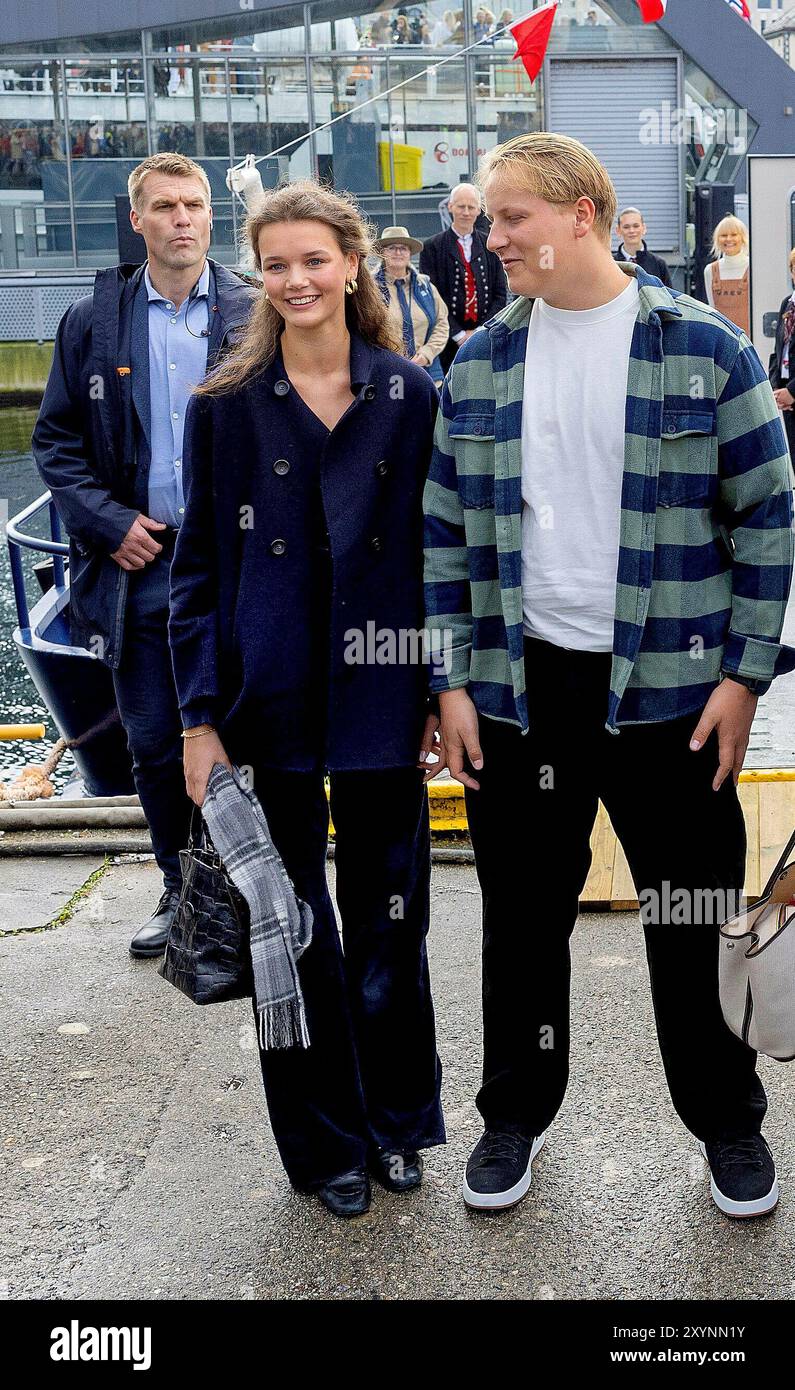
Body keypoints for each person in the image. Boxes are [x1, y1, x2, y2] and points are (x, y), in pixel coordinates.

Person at [423, 132, 795, 1220]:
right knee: (522, 916)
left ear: (582, 213)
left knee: (690, 908)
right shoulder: (481, 360)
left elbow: (769, 521)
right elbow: (443, 537)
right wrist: (447, 683)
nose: (493, 242)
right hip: (525, 687)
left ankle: (729, 1121)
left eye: (509, 220)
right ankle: (514, 1116)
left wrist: (745, 678)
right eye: (490, 222)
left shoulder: (706, 350)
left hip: (673, 692)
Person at [168, 180, 446, 1220]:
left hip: (382, 695)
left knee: (389, 922)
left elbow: (437, 560)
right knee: (286, 931)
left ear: (354, 263)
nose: (295, 280)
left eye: (313, 260)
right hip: (262, 700)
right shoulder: (226, 411)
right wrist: (200, 718)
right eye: (275, 265)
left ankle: (395, 1122)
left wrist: (437, 690)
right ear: (258, 275)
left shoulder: (409, 397)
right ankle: (322, 1143)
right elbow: (194, 573)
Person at [32, 153, 255, 958]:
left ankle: (249, 884)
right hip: (141, 566)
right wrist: (107, 523)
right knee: (158, 742)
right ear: (139, 220)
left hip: (236, 567)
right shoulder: (95, 322)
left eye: (194, 204)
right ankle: (180, 888)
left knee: (243, 735)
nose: (183, 219)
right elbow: (55, 442)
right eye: (165, 206)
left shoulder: (251, 310)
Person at [420, 182, 508, 371]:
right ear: (450, 207)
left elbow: (500, 295)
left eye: (471, 207)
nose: (466, 212)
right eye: (461, 206)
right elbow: (432, 299)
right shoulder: (432, 247)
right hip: (447, 342)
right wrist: (458, 335)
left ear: (479, 210)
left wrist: (478, 332)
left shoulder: (491, 244)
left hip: (485, 335)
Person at [374, 224, 449, 384]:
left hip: (428, 374)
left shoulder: (426, 286)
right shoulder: (370, 288)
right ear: (382, 253)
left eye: (403, 248)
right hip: (386, 375)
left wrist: (426, 354)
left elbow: (442, 324)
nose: (398, 252)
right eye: (392, 247)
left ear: (410, 253)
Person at [768, 246, 795, 461]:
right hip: (787, 394)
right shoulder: (787, 303)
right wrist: (775, 386)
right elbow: (779, 349)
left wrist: (793, 391)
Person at [704, 215, 749, 334]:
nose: (729, 239)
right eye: (724, 235)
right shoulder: (710, 270)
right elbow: (712, 308)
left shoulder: (753, 267)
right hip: (722, 338)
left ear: (743, 238)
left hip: (750, 339)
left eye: (734, 234)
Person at [613, 206, 672, 287]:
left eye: (636, 226)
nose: (632, 231)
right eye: (626, 227)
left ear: (644, 228)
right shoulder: (611, 264)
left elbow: (668, 297)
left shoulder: (659, 264)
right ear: (618, 230)